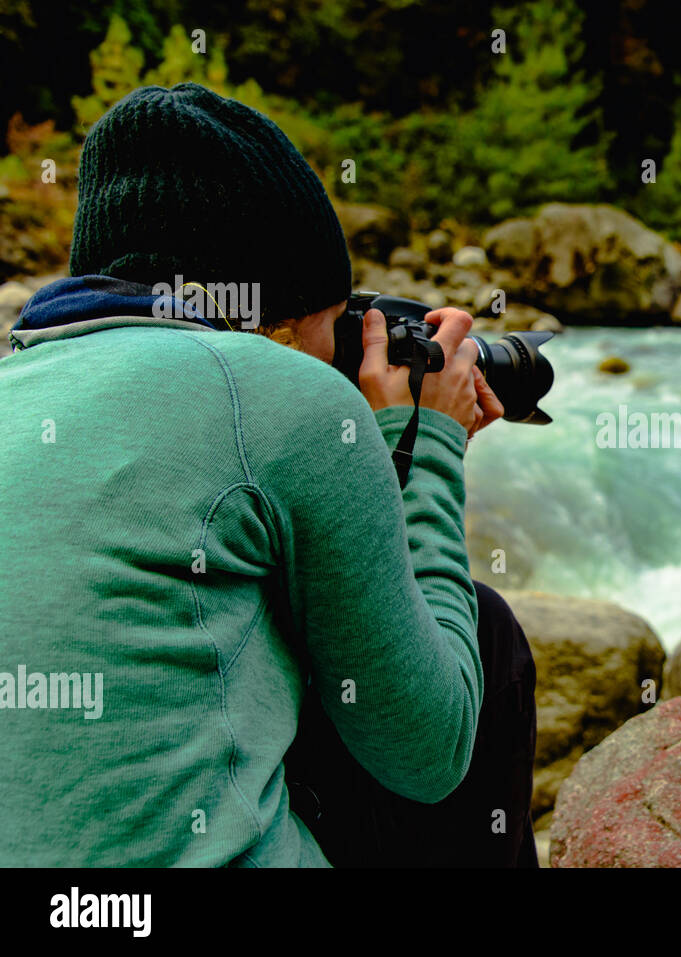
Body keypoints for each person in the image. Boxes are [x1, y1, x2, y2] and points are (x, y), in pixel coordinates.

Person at [0, 82, 537, 867]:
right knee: (479, 627)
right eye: (333, 327)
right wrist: (426, 446)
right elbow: (430, 751)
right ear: (274, 325)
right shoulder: (284, 390)